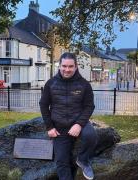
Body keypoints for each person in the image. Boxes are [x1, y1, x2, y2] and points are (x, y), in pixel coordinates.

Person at [39, 52, 97, 180]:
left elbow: (89, 106)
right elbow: (43, 105)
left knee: (91, 136)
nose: (67, 69)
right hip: (59, 127)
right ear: (59, 66)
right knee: (61, 162)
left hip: (78, 121)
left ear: (76, 67)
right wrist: (49, 127)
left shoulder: (84, 84)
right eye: (64, 66)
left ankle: (83, 160)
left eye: (70, 66)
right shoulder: (51, 83)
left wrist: (79, 124)